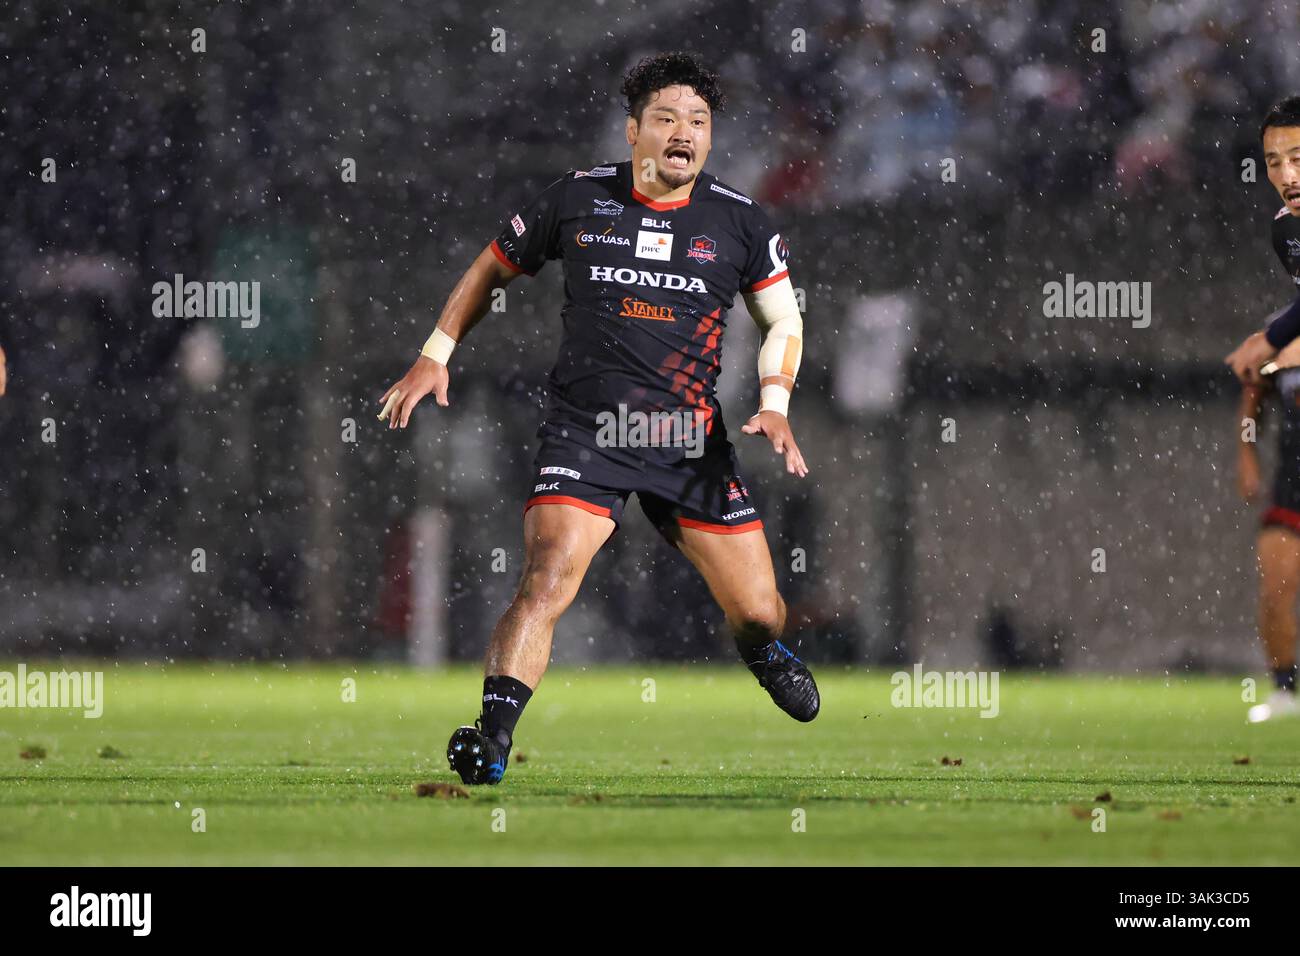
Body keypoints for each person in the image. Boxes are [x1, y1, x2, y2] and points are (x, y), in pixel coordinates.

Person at [379, 52, 818, 785]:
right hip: (587, 432)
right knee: (547, 578)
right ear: (633, 131)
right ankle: (491, 739)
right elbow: (492, 266)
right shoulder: (578, 200)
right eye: (668, 118)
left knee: (762, 611)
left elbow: (784, 320)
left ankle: (763, 650)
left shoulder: (739, 221)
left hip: (686, 440)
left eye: (700, 121)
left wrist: (774, 405)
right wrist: (436, 353)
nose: (685, 132)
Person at [1225, 96, 1300, 720]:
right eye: (1274, 161)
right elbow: (1255, 388)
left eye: (1299, 158)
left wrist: (1272, 337)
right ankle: (1285, 691)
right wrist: (1246, 448)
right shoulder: (1288, 230)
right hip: (1296, 464)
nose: (1287, 174)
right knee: (1275, 578)